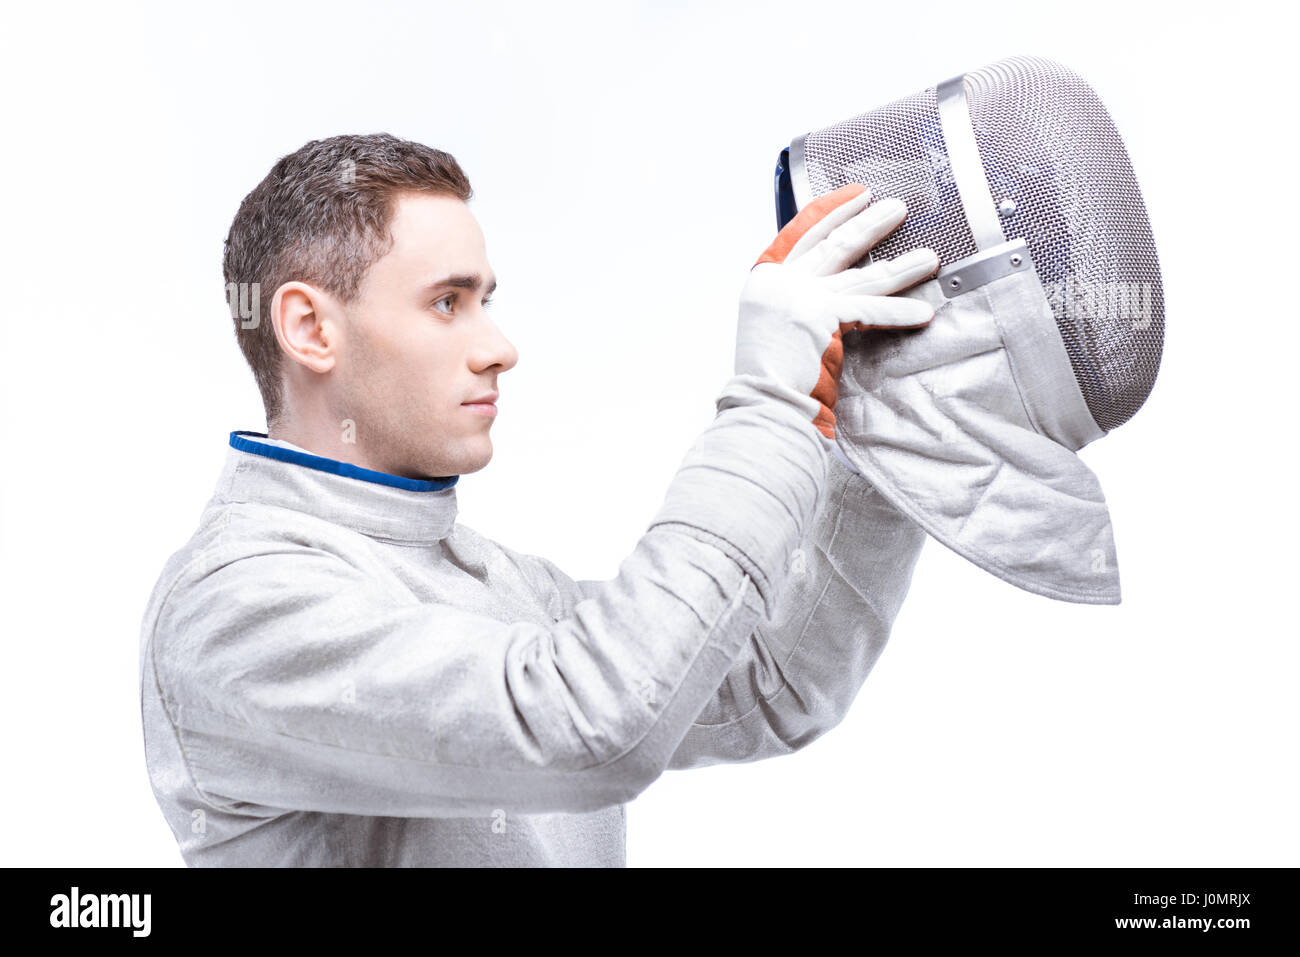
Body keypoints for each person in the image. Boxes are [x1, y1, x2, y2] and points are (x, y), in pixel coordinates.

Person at [138, 132, 940, 867]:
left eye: (486, 300)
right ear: (311, 330)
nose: (499, 347)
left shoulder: (503, 583)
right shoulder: (232, 607)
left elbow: (771, 684)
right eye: (447, 302)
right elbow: (585, 724)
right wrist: (770, 402)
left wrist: (878, 437)